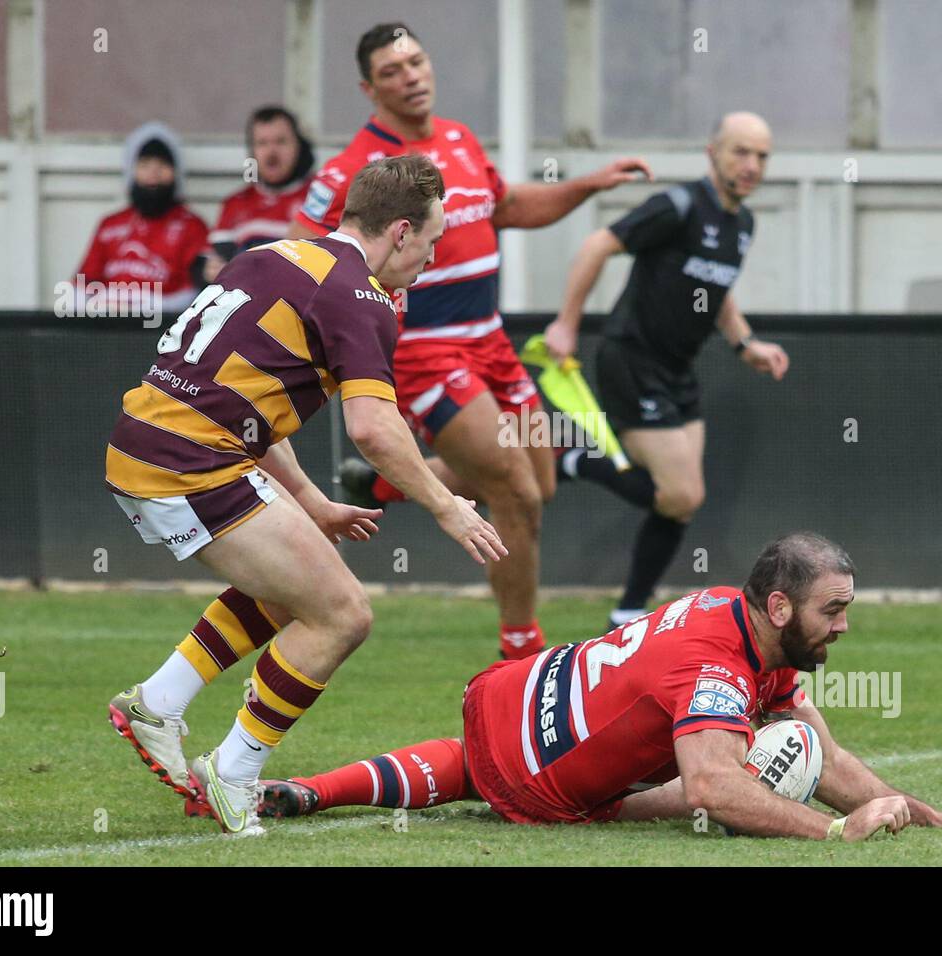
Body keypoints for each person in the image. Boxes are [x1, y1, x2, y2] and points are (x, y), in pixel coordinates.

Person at [105, 155, 506, 836]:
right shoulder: (363, 298)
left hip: (151, 444)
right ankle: (232, 774)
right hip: (188, 463)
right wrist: (447, 504)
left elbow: (247, 399)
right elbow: (375, 431)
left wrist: (314, 504)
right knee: (344, 614)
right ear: (401, 231)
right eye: (432, 241)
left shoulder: (279, 256)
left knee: (299, 581)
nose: (432, 259)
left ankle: (158, 703)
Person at [258, 533, 942, 839]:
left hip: (509, 693)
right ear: (780, 606)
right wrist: (831, 833)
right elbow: (707, 784)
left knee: (794, 743)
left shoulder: (732, 616)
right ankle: (313, 792)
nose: (843, 627)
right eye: (832, 610)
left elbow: (827, 756)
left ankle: (307, 792)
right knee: (720, 782)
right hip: (545, 783)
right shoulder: (715, 661)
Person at [289, 21, 653, 662]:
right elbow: (306, 252)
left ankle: (391, 484)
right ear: (368, 88)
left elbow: (508, 208)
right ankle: (522, 652)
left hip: (491, 338)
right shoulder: (354, 169)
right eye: (394, 71)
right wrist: (352, 331)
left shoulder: (456, 139)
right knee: (511, 488)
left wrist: (587, 185)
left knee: (538, 485)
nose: (412, 77)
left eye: (418, 63)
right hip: (426, 349)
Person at [544, 111, 791, 630]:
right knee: (683, 494)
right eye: (740, 152)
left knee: (677, 504)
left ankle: (628, 609)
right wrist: (566, 324)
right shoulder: (676, 206)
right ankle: (575, 460)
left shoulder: (742, 224)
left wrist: (744, 343)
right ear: (712, 153)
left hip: (679, 369)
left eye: (761, 156)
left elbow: (716, 289)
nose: (751, 165)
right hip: (631, 358)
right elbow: (597, 245)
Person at [75, 122, 209, 314]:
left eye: (162, 165)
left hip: (163, 330)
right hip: (107, 329)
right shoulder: (110, 224)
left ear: (175, 172)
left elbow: (198, 294)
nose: (153, 174)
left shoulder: (193, 227)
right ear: (132, 171)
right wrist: (95, 307)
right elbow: (81, 286)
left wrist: (148, 307)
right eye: (145, 165)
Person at [198, 106, 316, 285]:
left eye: (281, 141)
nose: (272, 152)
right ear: (251, 151)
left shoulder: (320, 197)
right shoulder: (235, 204)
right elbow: (211, 265)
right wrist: (211, 272)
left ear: (299, 146)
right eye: (262, 143)